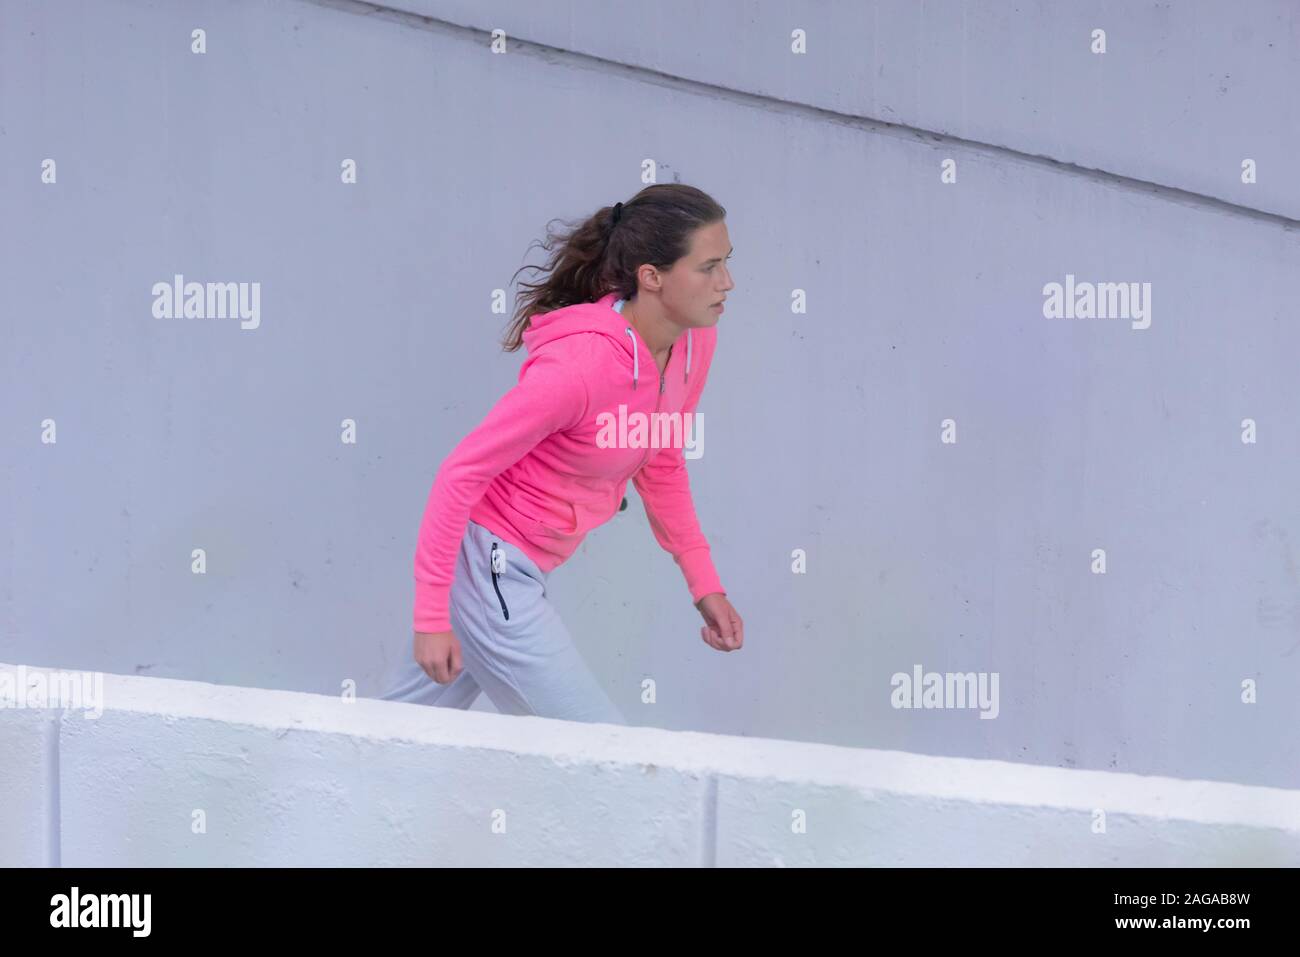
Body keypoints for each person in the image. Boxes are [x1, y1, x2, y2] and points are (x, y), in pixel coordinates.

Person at [380, 183, 744, 724]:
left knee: (398, 732)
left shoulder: (693, 343)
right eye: (708, 266)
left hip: (523, 568)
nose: (726, 283)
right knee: (600, 752)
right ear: (652, 277)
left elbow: (662, 463)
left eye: (727, 263)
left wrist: (703, 582)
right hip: (493, 566)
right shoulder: (579, 368)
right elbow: (462, 472)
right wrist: (431, 616)